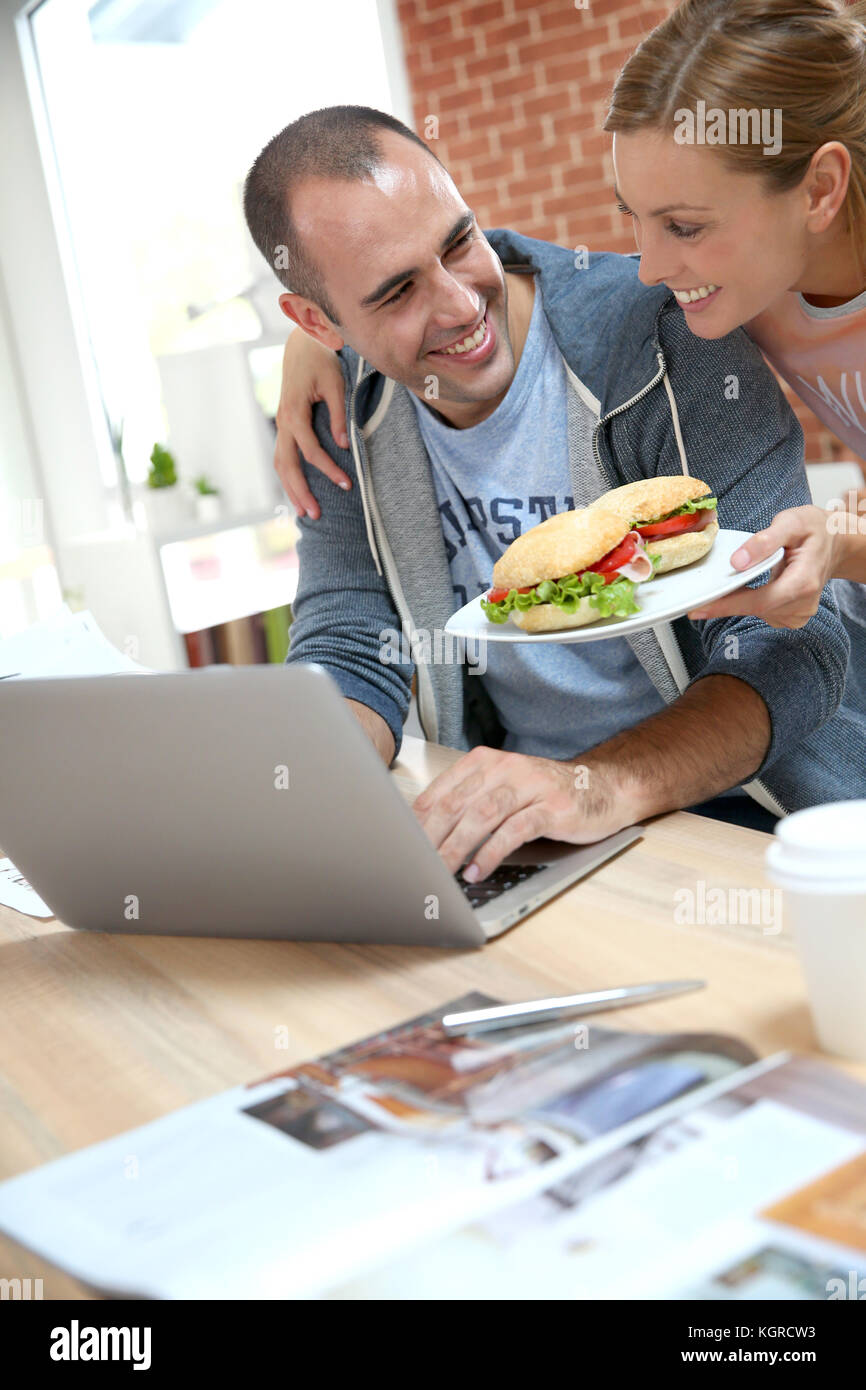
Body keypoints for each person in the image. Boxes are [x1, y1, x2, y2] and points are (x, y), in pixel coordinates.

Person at [242, 104, 863, 884]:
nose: (464, 305)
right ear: (315, 321)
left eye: (459, 242)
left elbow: (791, 646)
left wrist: (592, 785)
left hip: (756, 818)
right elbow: (347, 633)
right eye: (397, 292)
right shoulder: (339, 409)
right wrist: (300, 766)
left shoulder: (667, 338)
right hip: (536, 829)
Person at [275, 0, 866, 631]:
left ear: (820, 189)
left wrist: (844, 545)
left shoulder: (741, 272)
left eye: (685, 226)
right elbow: (436, 251)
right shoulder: (753, 275)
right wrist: (323, 340)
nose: (649, 265)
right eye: (633, 217)